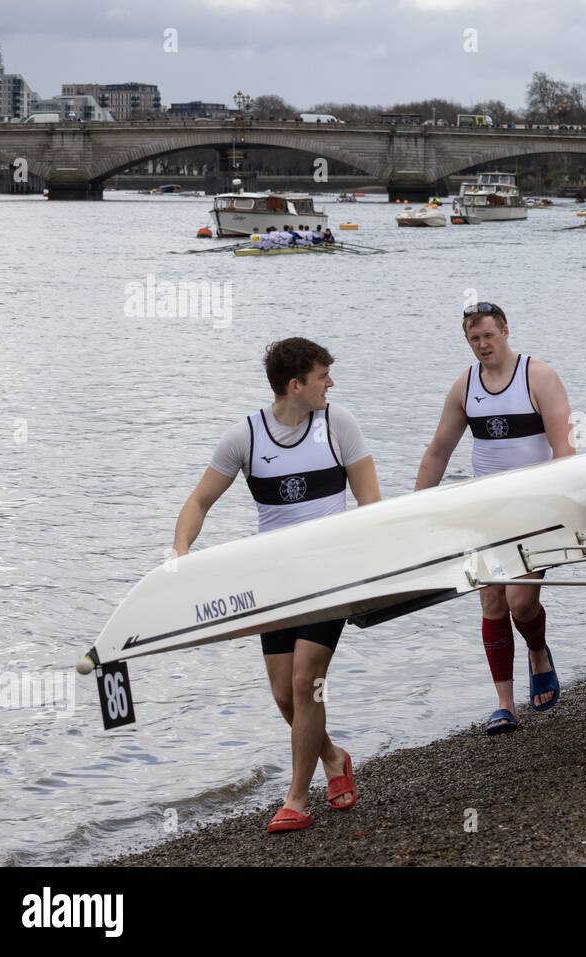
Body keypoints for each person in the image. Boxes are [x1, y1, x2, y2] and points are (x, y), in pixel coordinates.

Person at [173, 338, 382, 833]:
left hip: (331, 578)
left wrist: (375, 573)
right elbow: (198, 503)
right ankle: (333, 758)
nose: (331, 384)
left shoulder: (339, 425)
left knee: (306, 679)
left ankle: (296, 798)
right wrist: (180, 554)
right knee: (284, 695)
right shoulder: (244, 437)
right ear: (295, 385)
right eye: (322, 376)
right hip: (273, 583)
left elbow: (372, 505)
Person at [415, 302, 574, 734]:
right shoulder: (465, 386)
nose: (482, 345)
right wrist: (414, 512)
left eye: (488, 335)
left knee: (521, 601)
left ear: (505, 331)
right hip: (485, 512)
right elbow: (437, 452)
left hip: (534, 508)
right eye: (474, 339)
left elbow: (564, 449)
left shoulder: (538, 376)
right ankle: (505, 703)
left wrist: (563, 506)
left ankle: (538, 652)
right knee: (491, 599)